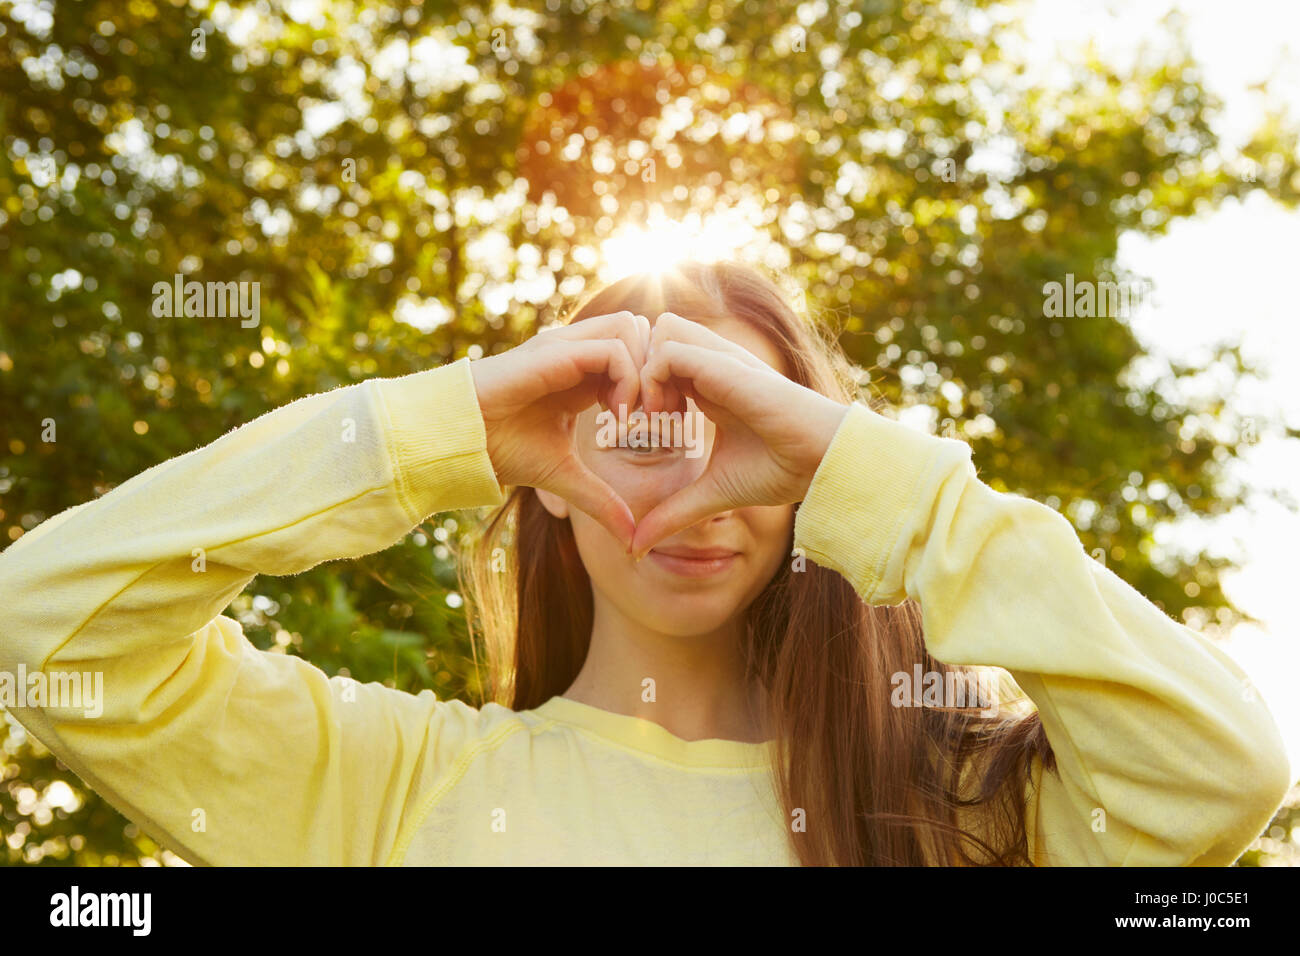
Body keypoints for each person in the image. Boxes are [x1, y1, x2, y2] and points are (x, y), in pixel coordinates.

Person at [0, 261, 1290, 866]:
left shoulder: (963, 814)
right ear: (549, 491)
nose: (693, 479)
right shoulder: (391, 790)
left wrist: (874, 482)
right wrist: (450, 430)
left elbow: (1223, 776)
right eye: (637, 432)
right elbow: (44, 632)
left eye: (747, 429)